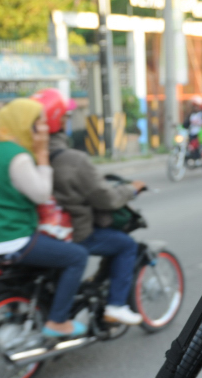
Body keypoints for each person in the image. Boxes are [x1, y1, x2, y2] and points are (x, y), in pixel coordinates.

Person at [0, 98, 89, 339]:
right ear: (25, 125)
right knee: (77, 256)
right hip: (13, 238)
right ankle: (58, 321)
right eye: (40, 123)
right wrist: (42, 156)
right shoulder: (18, 157)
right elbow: (41, 194)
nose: (45, 128)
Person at [34, 88, 146, 326]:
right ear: (59, 121)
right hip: (76, 233)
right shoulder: (74, 160)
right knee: (126, 246)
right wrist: (132, 189)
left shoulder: (28, 156)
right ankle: (116, 306)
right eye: (65, 117)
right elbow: (106, 198)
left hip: (40, 232)